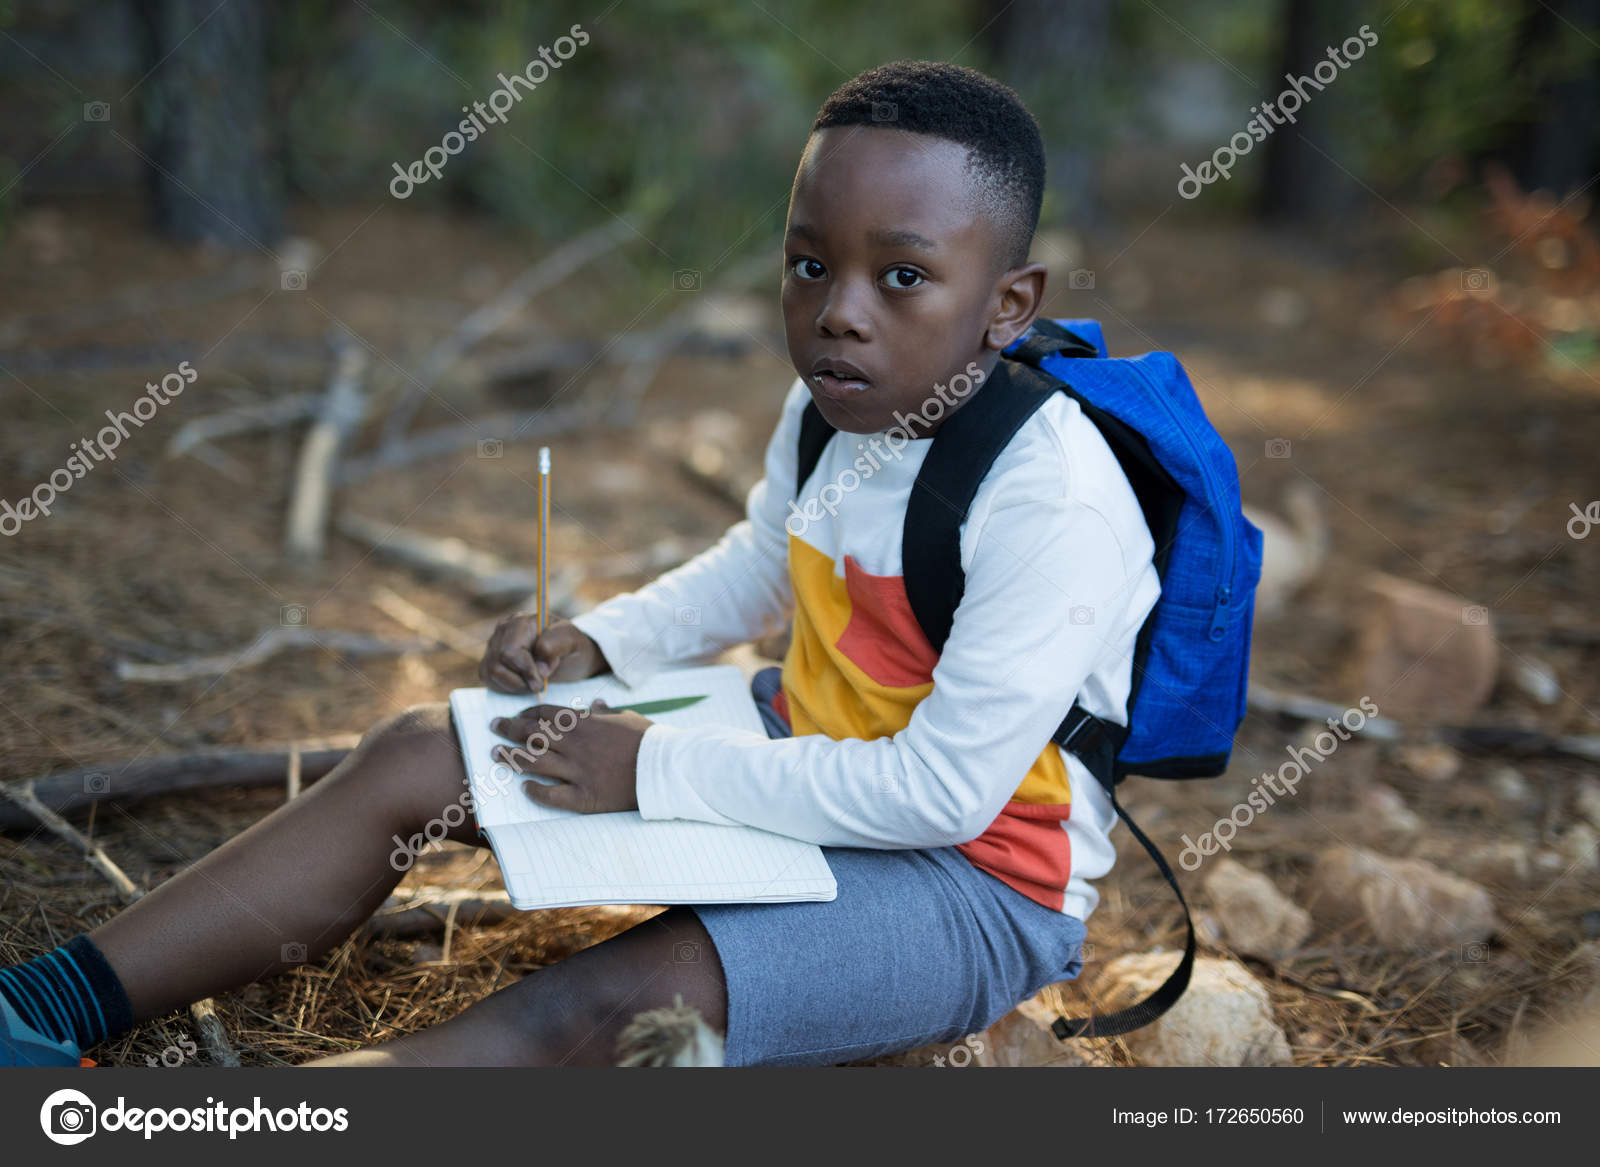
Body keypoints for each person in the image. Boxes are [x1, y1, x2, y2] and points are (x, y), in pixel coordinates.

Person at [0, 59, 1158, 1068]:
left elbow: (939, 796)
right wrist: (603, 640)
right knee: (417, 757)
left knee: (599, 1010)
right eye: (810, 266)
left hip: (969, 883)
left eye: (901, 277)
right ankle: (45, 1010)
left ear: (1008, 304)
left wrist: (651, 769)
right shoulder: (832, 416)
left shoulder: (1051, 500)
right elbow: (762, 565)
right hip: (798, 752)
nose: (838, 315)